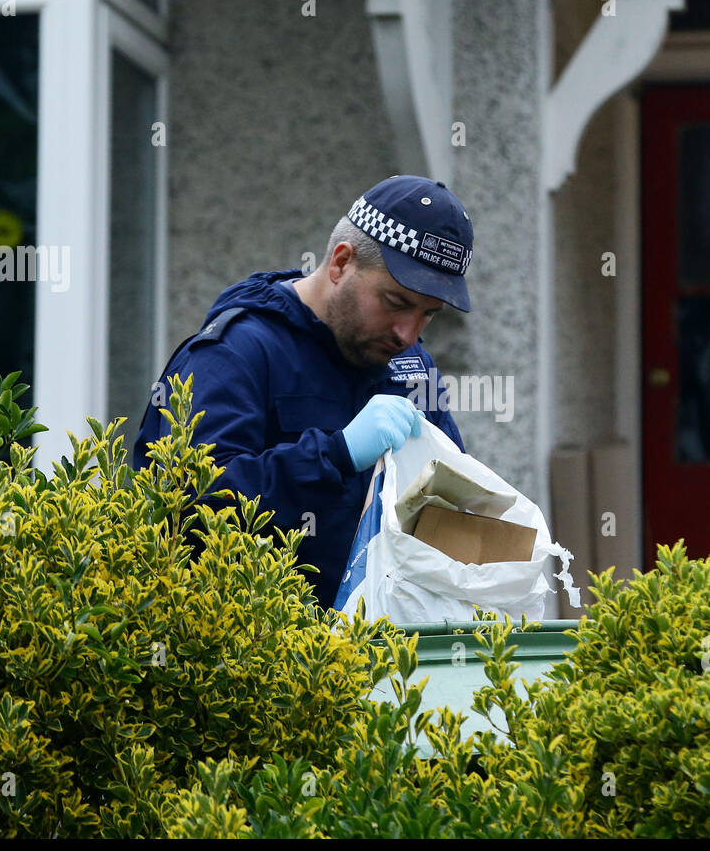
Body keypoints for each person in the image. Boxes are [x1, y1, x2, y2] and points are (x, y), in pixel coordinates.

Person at [132, 175, 473, 610]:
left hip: (383, 660)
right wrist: (333, 456)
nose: (408, 333)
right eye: (395, 302)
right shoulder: (237, 353)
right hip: (250, 658)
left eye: (429, 315)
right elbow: (186, 509)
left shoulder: (411, 367)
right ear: (340, 263)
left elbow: (449, 516)